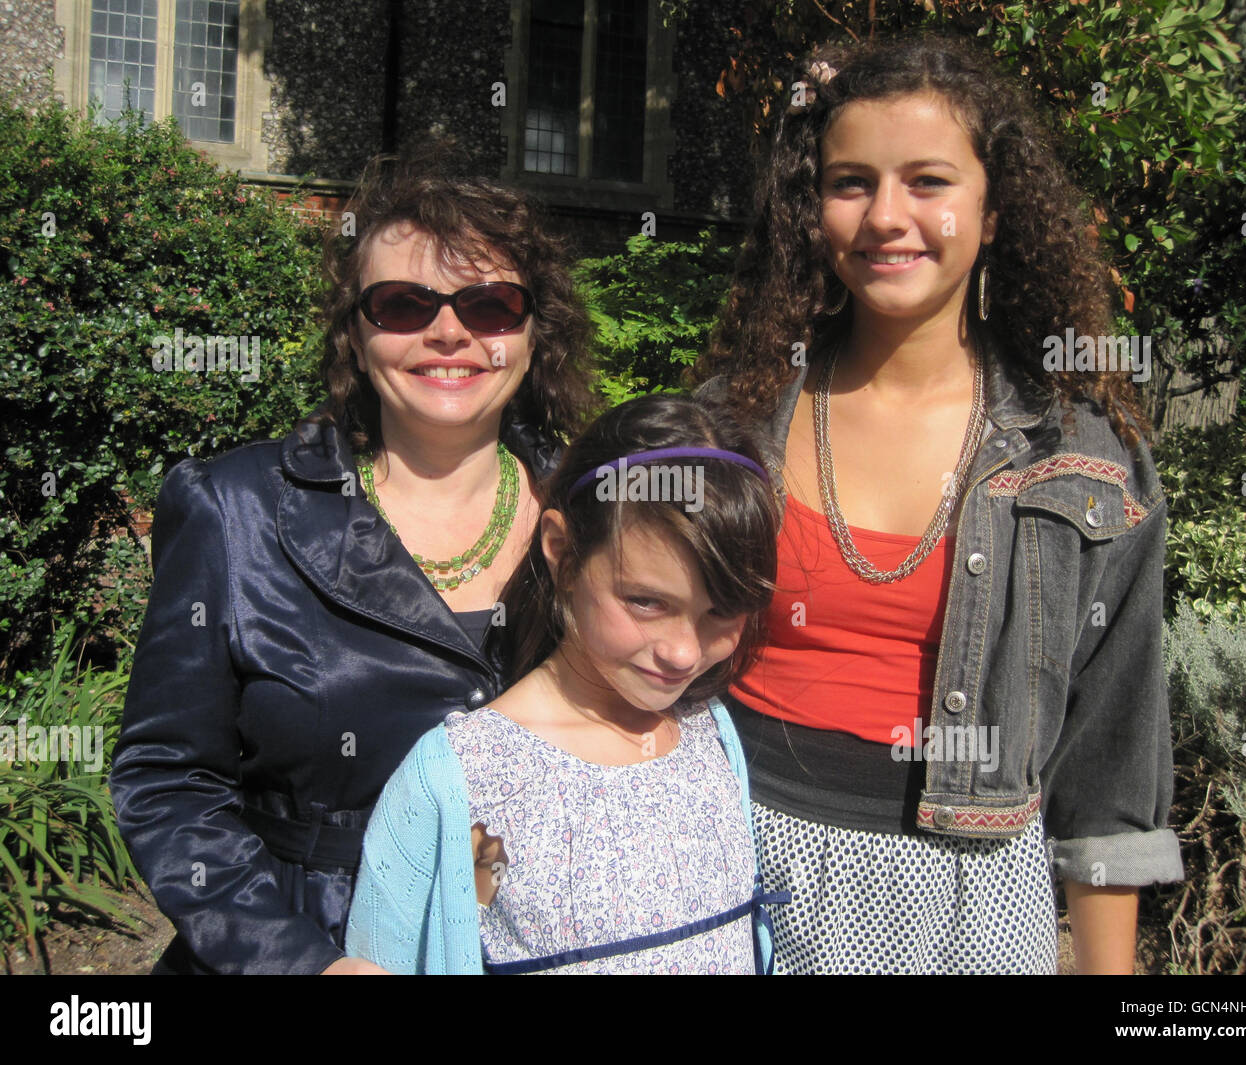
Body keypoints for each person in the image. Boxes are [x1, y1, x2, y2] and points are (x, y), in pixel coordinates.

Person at [691, 34, 1184, 974]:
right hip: (723, 862)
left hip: (966, 902)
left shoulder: (1084, 460)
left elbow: (1109, 760)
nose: (886, 216)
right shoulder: (731, 422)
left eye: (928, 182)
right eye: (850, 183)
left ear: (993, 213)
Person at [109, 147, 597, 974]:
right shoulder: (236, 510)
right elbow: (168, 781)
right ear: (356, 332)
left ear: (530, 328)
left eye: (489, 303)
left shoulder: (593, 513)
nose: (450, 331)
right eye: (404, 303)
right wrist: (302, 962)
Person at [345, 394, 787, 974]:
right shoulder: (468, 784)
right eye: (647, 602)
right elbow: (414, 940)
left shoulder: (711, 734)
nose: (683, 652)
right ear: (563, 555)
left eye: (721, 613)